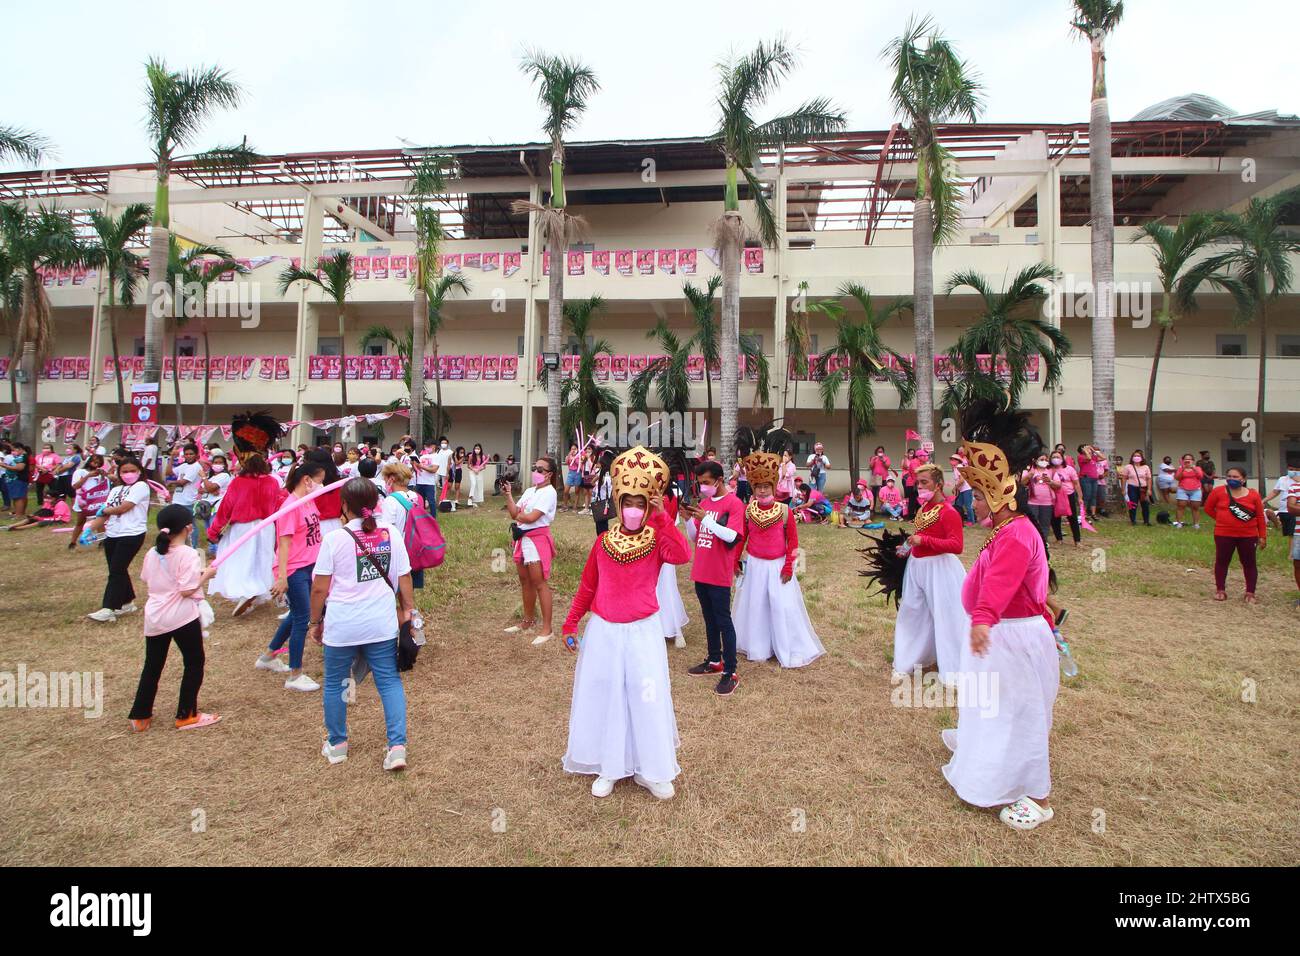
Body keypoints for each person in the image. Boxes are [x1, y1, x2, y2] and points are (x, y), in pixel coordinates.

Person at [944, 400, 1060, 831]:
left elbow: (1002, 584)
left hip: (1011, 638)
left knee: (1020, 711)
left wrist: (983, 619)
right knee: (996, 708)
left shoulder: (1014, 534)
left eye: (975, 495)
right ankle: (989, 760)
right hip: (1002, 636)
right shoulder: (1007, 531)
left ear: (997, 495)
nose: (970, 503)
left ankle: (1039, 796)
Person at [560, 445, 690, 800]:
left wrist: (663, 518)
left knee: (645, 696)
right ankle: (609, 766)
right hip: (604, 630)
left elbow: (682, 555)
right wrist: (570, 624)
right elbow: (588, 586)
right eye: (627, 503)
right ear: (618, 504)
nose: (633, 510)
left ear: (647, 505)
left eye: (640, 504)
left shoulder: (656, 538)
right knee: (608, 694)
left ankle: (653, 770)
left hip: (643, 630)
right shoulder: (603, 542)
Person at [310, 478, 415, 771]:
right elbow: (404, 576)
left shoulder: (334, 539)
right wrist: (409, 610)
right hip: (380, 623)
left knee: (336, 682)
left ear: (344, 505)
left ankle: (337, 743)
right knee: (389, 681)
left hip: (342, 625)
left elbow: (320, 589)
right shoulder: (391, 534)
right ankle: (396, 747)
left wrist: (314, 621)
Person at [127, 504, 220, 731]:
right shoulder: (188, 553)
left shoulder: (153, 552)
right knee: (194, 662)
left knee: (153, 665)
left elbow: (147, 578)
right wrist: (206, 574)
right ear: (189, 527)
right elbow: (187, 589)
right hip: (180, 616)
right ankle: (187, 715)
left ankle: (140, 716)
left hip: (155, 615)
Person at [733, 449, 824, 669]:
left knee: (780, 606)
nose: (762, 490)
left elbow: (793, 543)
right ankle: (759, 646)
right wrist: (736, 559)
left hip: (776, 566)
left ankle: (783, 645)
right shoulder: (748, 510)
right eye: (758, 487)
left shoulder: (785, 511)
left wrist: (789, 567)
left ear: (773, 487)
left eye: (766, 486)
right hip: (754, 565)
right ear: (753, 488)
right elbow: (742, 537)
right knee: (756, 606)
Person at [892, 463, 968, 683]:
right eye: (918, 482)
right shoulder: (923, 509)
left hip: (940, 569)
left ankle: (953, 665)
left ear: (939, 485)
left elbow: (956, 545)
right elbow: (919, 535)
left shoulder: (949, 512)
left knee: (946, 617)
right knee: (912, 613)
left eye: (924, 482)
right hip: (917, 567)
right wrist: (908, 548)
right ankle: (909, 659)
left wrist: (924, 540)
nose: (919, 486)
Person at [254, 459, 325, 691]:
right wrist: (282, 576)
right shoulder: (290, 506)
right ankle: (295, 675)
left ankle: (268, 657)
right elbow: (283, 544)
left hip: (309, 565)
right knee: (302, 618)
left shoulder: (308, 501)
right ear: (307, 480)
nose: (321, 485)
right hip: (294, 569)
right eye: (319, 481)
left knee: (295, 614)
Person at [207, 413, 287, 617]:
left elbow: (226, 508)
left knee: (241, 561)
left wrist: (213, 531)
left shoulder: (239, 482)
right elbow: (279, 504)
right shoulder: (272, 481)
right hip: (266, 527)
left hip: (242, 528)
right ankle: (256, 595)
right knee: (261, 560)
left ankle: (247, 593)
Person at [682, 458, 746, 696]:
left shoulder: (734, 504)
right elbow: (697, 537)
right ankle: (714, 660)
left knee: (723, 621)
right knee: (709, 619)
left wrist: (705, 518)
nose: (702, 487)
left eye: (706, 482)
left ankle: (730, 671)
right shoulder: (705, 503)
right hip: (701, 570)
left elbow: (732, 536)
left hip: (719, 572)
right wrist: (689, 521)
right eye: (700, 483)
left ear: (719, 480)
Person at [88, 458, 153, 622]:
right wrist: (89, 530)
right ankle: (126, 601)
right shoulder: (115, 490)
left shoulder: (141, 486)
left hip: (132, 533)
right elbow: (104, 514)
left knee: (117, 570)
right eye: (124, 471)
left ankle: (108, 608)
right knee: (117, 569)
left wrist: (106, 510)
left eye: (132, 471)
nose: (128, 474)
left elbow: (124, 508)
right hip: (113, 533)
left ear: (139, 471)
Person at [504, 455, 559, 642]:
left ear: (550, 474)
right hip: (523, 538)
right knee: (525, 580)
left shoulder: (550, 492)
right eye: (535, 468)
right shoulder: (529, 491)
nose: (536, 472)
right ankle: (527, 620)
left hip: (537, 539)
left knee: (539, 582)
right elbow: (514, 512)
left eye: (541, 470)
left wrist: (519, 515)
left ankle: (547, 628)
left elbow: (531, 518)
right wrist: (509, 495)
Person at [1203, 466, 1267, 604]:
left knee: (1249, 563)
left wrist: (1262, 536)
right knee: (1222, 561)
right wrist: (1221, 519)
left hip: (1248, 535)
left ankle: (1250, 592)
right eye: (1229, 476)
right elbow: (1208, 508)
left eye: (1235, 477)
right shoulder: (1218, 492)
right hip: (1223, 534)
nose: (1232, 479)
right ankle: (1220, 590)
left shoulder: (1253, 494)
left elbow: (1260, 517)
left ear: (1243, 480)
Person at [655, 477, 689, 649]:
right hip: (649, 543)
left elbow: (671, 523)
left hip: (665, 544)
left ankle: (674, 628)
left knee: (667, 585)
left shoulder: (674, 494)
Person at [68, 453, 111, 549]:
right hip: (82, 501)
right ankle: (73, 543)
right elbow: (75, 486)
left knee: (100, 522)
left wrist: (103, 476)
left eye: (98, 463)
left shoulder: (99, 473)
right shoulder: (79, 472)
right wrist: (88, 476)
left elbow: (103, 486)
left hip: (97, 500)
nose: (95, 464)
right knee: (80, 522)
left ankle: (102, 542)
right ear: (89, 460)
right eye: (94, 461)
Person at [166, 444, 205, 546]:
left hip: (188, 501)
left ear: (196, 455)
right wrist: (171, 458)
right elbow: (168, 472)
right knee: (177, 524)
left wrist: (172, 483)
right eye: (186, 454)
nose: (188, 456)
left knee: (191, 525)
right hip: (178, 499)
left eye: (191, 454)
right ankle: (180, 543)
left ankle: (193, 546)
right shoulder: (184, 465)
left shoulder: (196, 467)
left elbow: (183, 482)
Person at [1049, 450, 1081, 547]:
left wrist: (1080, 497)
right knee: (1054, 518)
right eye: (1053, 457)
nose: (1056, 459)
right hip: (1054, 496)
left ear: (1062, 458)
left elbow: (1076, 483)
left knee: (1072, 518)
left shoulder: (1069, 469)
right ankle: (1059, 539)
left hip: (1068, 495)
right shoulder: (1049, 470)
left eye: (1058, 457)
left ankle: (1077, 540)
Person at [1262, 456, 1299, 539]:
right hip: (1283, 510)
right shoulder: (1283, 479)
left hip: (1295, 510)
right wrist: (1264, 500)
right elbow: (1275, 492)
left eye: (1296, 470)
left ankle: (1292, 551)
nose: (1293, 472)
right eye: (1291, 469)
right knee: (1287, 533)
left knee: (1293, 534)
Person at [1172, 453, 1205, 529]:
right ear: (1183, 461)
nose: (1188, 460)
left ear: (1192, 460)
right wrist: (1183, 469)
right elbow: (1177, 478)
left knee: (1195, 507)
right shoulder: (1181, 468)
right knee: (1181, 506)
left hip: (1196, 489)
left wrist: (1193, 468)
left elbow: (1200, 476)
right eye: (1186, 459)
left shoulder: (1197, 468)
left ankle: (1196, 524)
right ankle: (1179, 523)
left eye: (1189, 459)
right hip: (1182, 489)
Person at [1122, 450, 1153, 526]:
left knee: (1145, 505)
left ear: (1142, 458)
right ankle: (1133, 520)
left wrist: (1149, 489)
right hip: (1132, 487)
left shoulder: (1146, 467)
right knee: (1133, 504)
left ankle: (1146, 521)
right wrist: (1123, 489)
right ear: (1132, 457)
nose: (1136, 457)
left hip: (1143, 488)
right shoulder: (1128, 467)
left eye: (1138, 456)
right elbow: (1124, 478)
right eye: (1135, 456)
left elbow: (1149, 478)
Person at [2, 442, 30, 518]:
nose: (12, 452)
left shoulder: (23, 456)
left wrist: (3, 465)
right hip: (16, 479)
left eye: (13, 449)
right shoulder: (21, 456)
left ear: (19, 449)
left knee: (18, 497)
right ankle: (18, 513)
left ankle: (19, 514)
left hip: (18, 479)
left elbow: (19, 468)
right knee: (17, 497)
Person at [590, 450, 614, 537]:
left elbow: (592, 482)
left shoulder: (601, 473)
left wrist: (596, 486)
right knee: (604, 524)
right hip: (607, 502)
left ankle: (600, 540)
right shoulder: (612, 474)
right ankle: (604, 539)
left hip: (599, 502)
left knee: (599, 525)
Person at [1077, 444, 1103, 522]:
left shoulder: (1093, 457)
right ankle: (1083, 514)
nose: (1089, 448)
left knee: (1093, 496)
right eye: (1086, 447)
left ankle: (1093, 514)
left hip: (1094, 479)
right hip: (1086, 478)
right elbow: (1088, 458)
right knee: (1086, 496)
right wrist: (1085, 451)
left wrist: (1094, 451)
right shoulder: (1081, 456)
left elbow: (1103, 457)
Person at [32, 443, 62, 507]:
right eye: (44, 448)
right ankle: (40, 502)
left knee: (53, 489)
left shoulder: (55, 456)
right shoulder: (38, 456)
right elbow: (35, 464)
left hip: (50, 474)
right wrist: (41, 468)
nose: (46, 449)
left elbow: (59, 464)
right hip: (40, 474)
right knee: (39, 489)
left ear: (51, 449)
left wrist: (50, 469)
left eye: (48, 448)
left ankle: (55, 501)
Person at [950, 452, 975, 525]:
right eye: (951, 459)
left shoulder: (960, 467)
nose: (951, 461)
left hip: (966, 489)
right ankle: (959, 519)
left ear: (957, 461)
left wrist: (955, 488)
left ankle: (971, 521)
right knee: (958, 505)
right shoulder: (955, 468)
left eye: (953, 459)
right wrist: (956, 489)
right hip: (962, 490)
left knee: (968, 505)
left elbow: (962, 480)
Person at [466, 443, 488, 508]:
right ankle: (470, 498)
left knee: (479, 486)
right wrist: (474, 469)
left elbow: (484, 466)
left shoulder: (483, 457)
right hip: (472, 471)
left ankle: (475, 501)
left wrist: (479, 469)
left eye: (478, 449)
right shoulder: (471, 456)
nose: (477, 450)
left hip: (479, 472)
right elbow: (468, 465)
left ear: (480, 449)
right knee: (473, 483)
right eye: (476, 448)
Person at [563, 442, 582, 511]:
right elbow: (566, 462)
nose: (573, 450)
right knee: (566, 491)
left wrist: (575, 458)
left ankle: (575, 507)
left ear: (577, 449)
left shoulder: (579, 456)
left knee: (577, 491)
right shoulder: (569, 456)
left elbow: (579, 465)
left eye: (575, 449)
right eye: (572, 449)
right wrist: (569, 457)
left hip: (578, 473)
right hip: (570, 473)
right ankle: (565, 506)